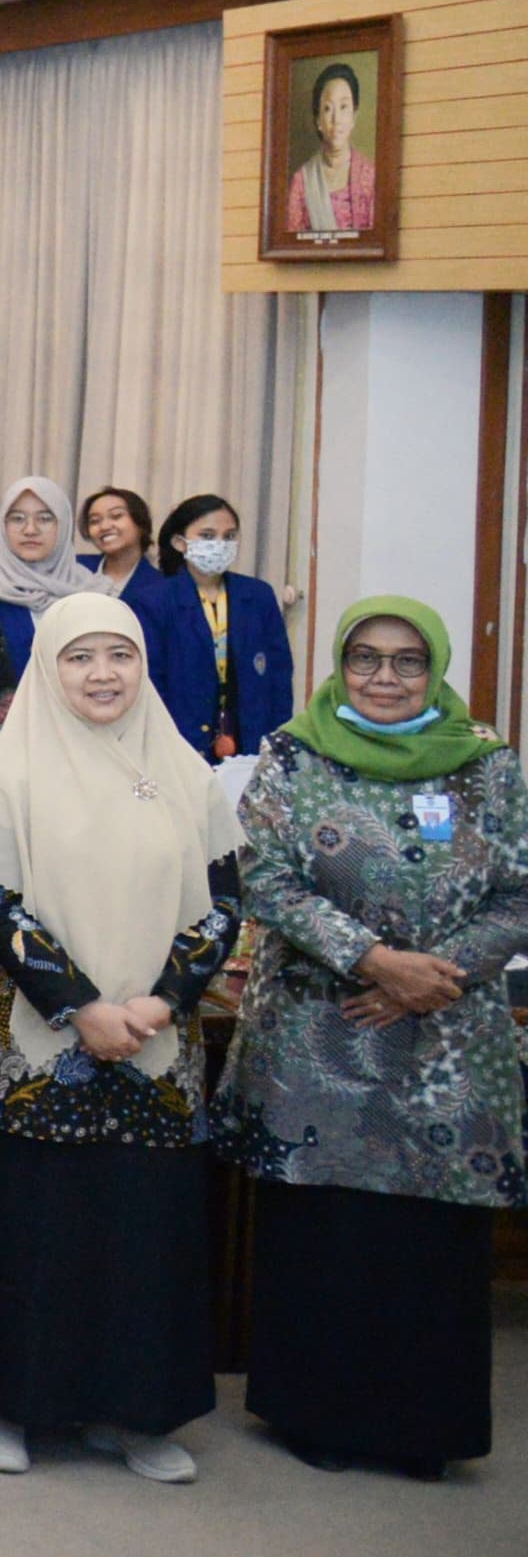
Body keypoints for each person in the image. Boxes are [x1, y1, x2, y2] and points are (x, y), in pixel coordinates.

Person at [0, 593, 238, 1484]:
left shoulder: (184, 771)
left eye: (119, 656)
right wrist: (83, 1006)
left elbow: (222, 903)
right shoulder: (11, 774)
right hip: (37, 1042)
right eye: (80, 657)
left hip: (158, 1044)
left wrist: (162, 1002)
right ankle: (9, 1403)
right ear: (49, 668)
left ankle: (135, 1411)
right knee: (29, 1221)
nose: (102, 674)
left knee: (142, 1228)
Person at [220, 598, 525, 1478]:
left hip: (446, 1043)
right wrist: (376, 960)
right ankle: (314, 1413)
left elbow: (520, 887)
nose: (384, 677)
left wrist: (436, 973)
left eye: (405, 661)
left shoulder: (486, 763)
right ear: (339, 662)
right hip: (322, 1036)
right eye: (365, 657)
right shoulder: (292, 751)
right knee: (329, 1234)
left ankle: (422, 1428)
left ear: (435, 668)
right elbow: (262, 877)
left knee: (425, 1242)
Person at [126, 496, 295, 765]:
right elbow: (149, 681)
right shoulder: (152, 601)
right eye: (207, 535)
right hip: (180, 739)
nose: (220, 545)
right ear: (179, 542)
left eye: (229, 537)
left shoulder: (257, 595)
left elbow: (279, 674)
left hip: (250, 736)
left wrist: (276, 738)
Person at [0, 475, 86, 679]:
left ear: (64, 525)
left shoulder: (90, 591)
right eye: (17, 518)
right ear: (3, 525)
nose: (30, 530)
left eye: (45, 518)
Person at [277, 59, 376, 244]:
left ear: (354, 116)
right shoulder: (302, 180)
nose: (336, 118)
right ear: (318, 120)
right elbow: (293, 245)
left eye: (344, 107)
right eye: (328, 108)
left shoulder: (370, 177)